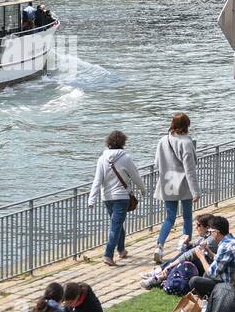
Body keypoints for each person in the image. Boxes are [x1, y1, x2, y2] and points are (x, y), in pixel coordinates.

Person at [87, 130, 146, 266]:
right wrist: (143, 190)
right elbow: (135, 176)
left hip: (106, 198)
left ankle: (121, 249)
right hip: (121, 197)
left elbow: (97, 180)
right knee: (116, 225)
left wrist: (91, 199)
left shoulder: (102, 158)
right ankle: (108, 255)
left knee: (117, 223)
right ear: (123, 142)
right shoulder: (126, 158)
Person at [152, 113, 200, 264]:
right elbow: (190, 169)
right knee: (187, 216)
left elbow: (156, 164)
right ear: (186, 125)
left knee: (170, 217)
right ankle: (184, 246)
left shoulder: (163, 140)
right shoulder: (186, 142)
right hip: (183, 182)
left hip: (168, 180)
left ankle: (159, 246)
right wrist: (196, 192)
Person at [142, 214, 213, 292]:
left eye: (199, 225)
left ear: (207, 228)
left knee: (187, 257)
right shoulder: (204, 237)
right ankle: (160, 273)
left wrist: (170, 265)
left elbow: (190, 253)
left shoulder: (210, 240)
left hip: (206, 268)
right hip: (204, 265)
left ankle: (159, 276)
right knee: (186, 253)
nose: (196, 228)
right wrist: (186, 243)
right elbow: (193, 246)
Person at [188, 214, 235, 293]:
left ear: (216, 232)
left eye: (211, 232)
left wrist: (201, 257)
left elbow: (212, 273)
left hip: (233, 288)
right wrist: (208, 250)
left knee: (194, 281)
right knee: (205, 275)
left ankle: (210, 298)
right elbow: (221, 260)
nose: (210, 234)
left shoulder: (224, 247)